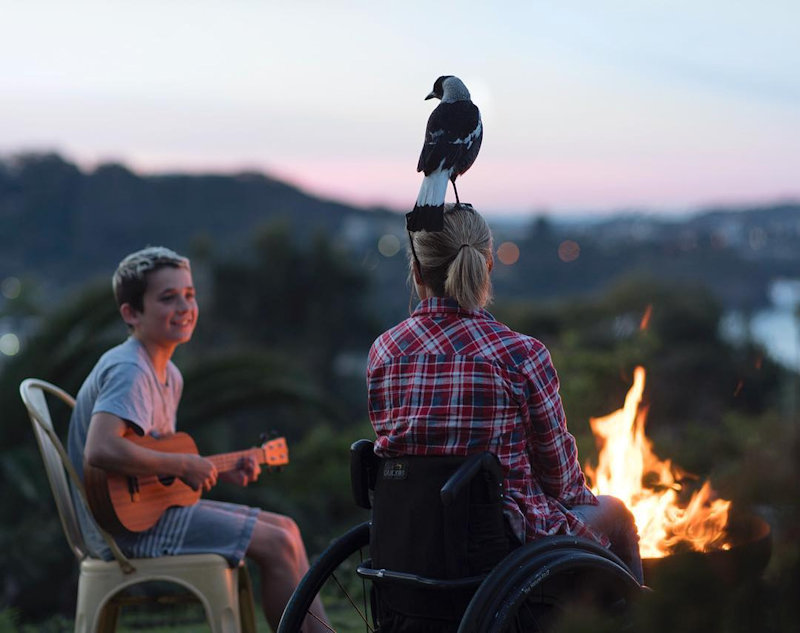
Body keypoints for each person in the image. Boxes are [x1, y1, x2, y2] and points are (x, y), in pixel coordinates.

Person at [367, 203, 643, 584]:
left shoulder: (384, 352)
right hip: (503, 545)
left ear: (417, 272)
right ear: (488, 266)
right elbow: (561, 481)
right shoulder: (520, 355)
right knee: (617, 513)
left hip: (410, 543)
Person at [67, 246, 327, 632]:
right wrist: (184, 464)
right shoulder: (129, 369)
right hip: (121, 533)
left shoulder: (168, 373)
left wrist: (216, 470)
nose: (185, 306)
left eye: (189, 294)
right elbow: (101, 449)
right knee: (277, 544)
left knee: (287, 529)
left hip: (145, 518)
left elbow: (154, 469)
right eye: (168, 297)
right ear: (131, 314)